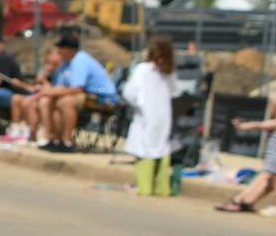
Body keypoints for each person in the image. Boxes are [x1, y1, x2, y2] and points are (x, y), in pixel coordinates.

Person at [30, 32, 118, 153]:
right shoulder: (67, 63)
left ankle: (67, 141)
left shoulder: (80, 60)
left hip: (103, 97)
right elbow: (59, 87)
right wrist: (46, 87)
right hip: (87, 95)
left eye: (61, 48)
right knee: (48, 101)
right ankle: (54, 139)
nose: (59, 51)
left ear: (69, 49)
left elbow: (77, 88)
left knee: (66, 102)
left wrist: (49, 92)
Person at [216, 94, 276, 216]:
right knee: (270, 181)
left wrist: (242, 126)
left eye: (272, 105)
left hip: (275, 157)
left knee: (274, 183)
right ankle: (243, 200)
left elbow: (258, 125)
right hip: (274, 156)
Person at [122, 35, 176, 196]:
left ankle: (143, 187)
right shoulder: (170, 73)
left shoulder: (143, 69)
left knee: (144, 150)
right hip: (164, 117)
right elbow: (173, 92)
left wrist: (137, 104)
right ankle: (162, 188)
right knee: (161, 150)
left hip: (146, 116)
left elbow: (130, 92)